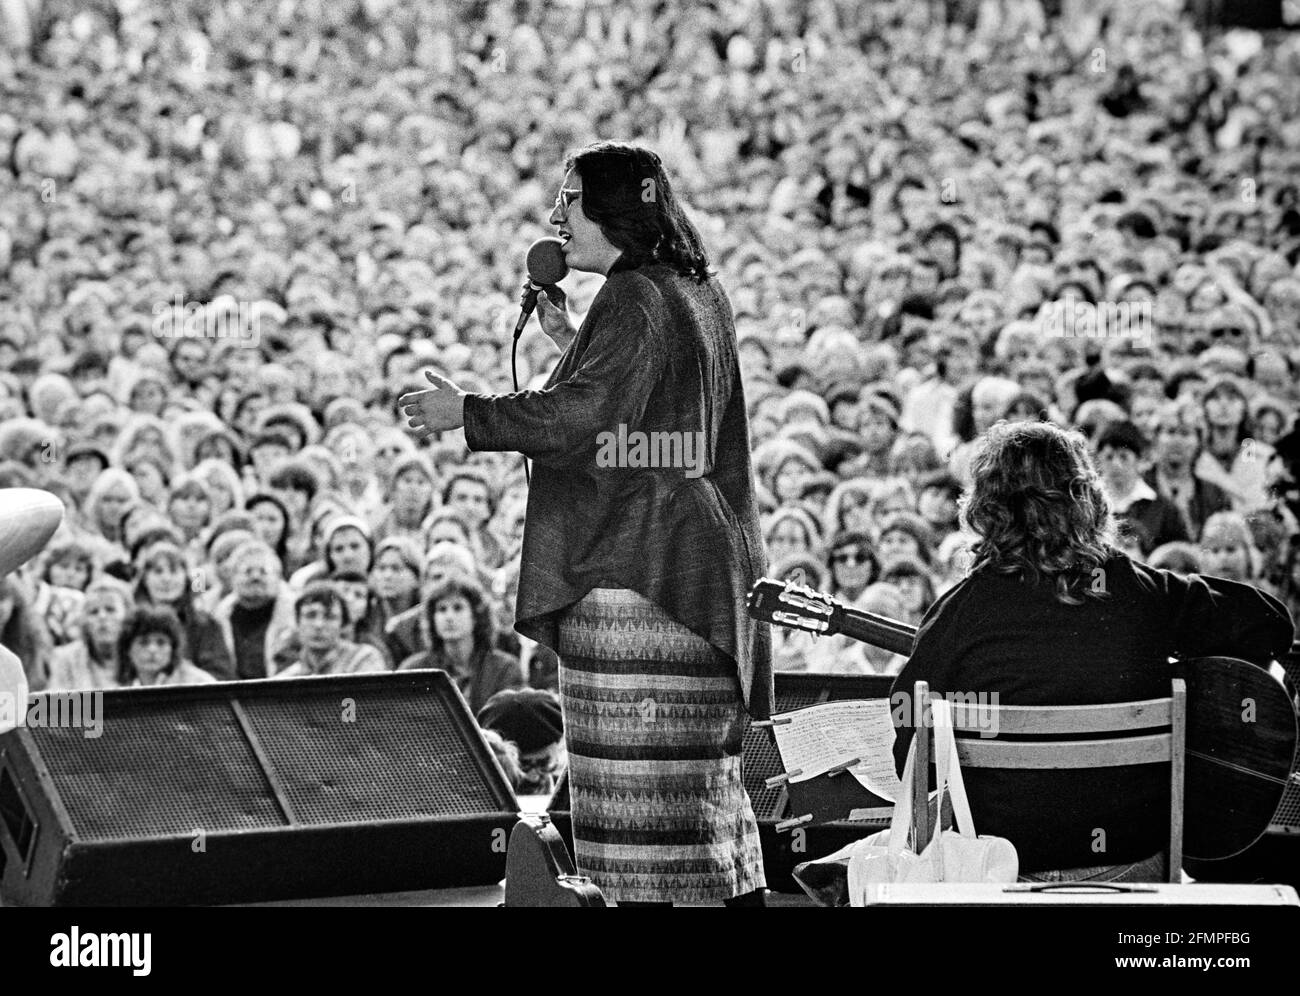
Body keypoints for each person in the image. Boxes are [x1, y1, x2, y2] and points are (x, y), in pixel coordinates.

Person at [400, 142, 770, 907]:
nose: (554, 215)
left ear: (614, 209)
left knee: (640, 821)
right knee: (699, 806)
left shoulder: (637, 296)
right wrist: (574, 343)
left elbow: (585, 419)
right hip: (692, 567)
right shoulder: (692, 287)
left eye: (569, 198)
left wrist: (466, 413)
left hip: (639, 569)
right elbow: (647, 407)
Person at [891, 421, 1294, 882]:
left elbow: (911, 738)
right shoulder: (1139, 591)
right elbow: (1270, 623)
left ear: (988, 507)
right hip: (1131, 865)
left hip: (996, 869)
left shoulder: (963, 608)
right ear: (1087, 498)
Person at [397, 575, 523, 712]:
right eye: (442, 609)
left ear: (476, 616)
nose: (449, 617)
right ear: (432, 619)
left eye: (458, 608)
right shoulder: (413, 670)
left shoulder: (505, 669)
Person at [276, 583, 387, 678]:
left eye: (329, 617)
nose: (318, 625)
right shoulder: (288, 675)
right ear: (297, 621)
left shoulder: (363, 659)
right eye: (310, 615)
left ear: (343, 624)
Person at [116, 605, 218, 687]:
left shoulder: (200, 684)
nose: (152, 649)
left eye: (161, 642)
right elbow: (99, 712)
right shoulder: (113, 687)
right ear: (127, 649)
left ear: (173, 649)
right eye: (143, 642)